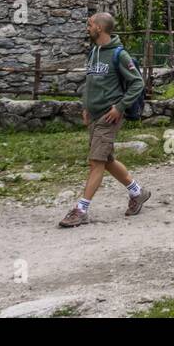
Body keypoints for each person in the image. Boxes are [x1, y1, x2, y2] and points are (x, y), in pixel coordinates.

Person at [60, 13, 150, 228]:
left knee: (96, 162)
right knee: (106, 160)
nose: (87, 27)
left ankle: (81, 209)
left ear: (100, 28)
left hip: (108, 117)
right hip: (93, 115)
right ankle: (138, 193)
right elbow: (90, 83)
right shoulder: (93, 52)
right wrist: (85, 107)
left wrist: (119, 107)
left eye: (90, 24)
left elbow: (138, 83)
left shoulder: (120, 54)